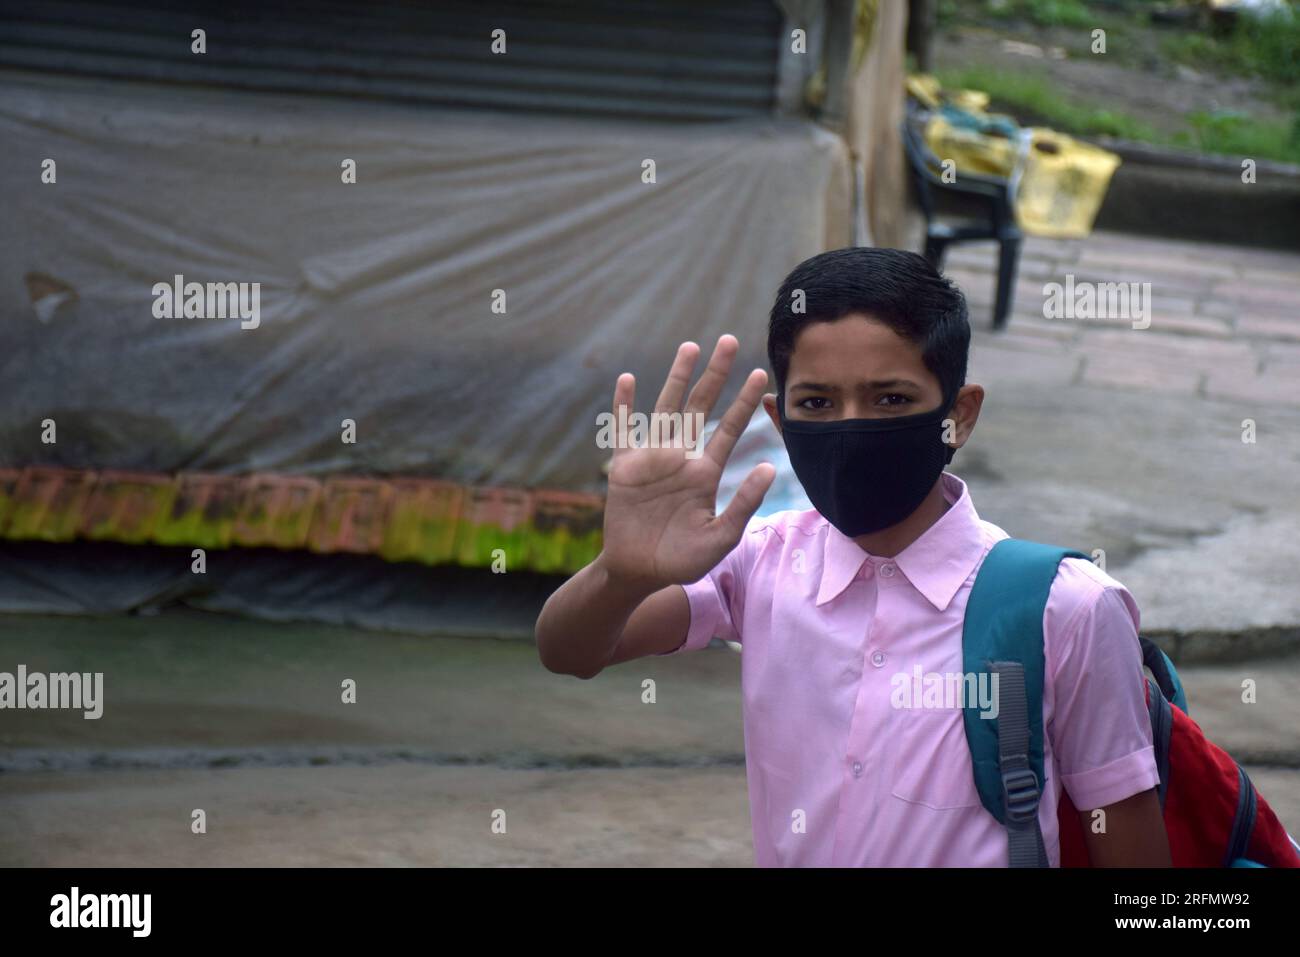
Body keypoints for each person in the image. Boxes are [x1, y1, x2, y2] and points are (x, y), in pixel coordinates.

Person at [535, 246, 1171, 867]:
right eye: (817, 403)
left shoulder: (1069, 607)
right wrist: (621, 574)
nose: (852, 426)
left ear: (959, 415)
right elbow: (570, 652)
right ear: (781, 423)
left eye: (891, 399)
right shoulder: (759, 562)